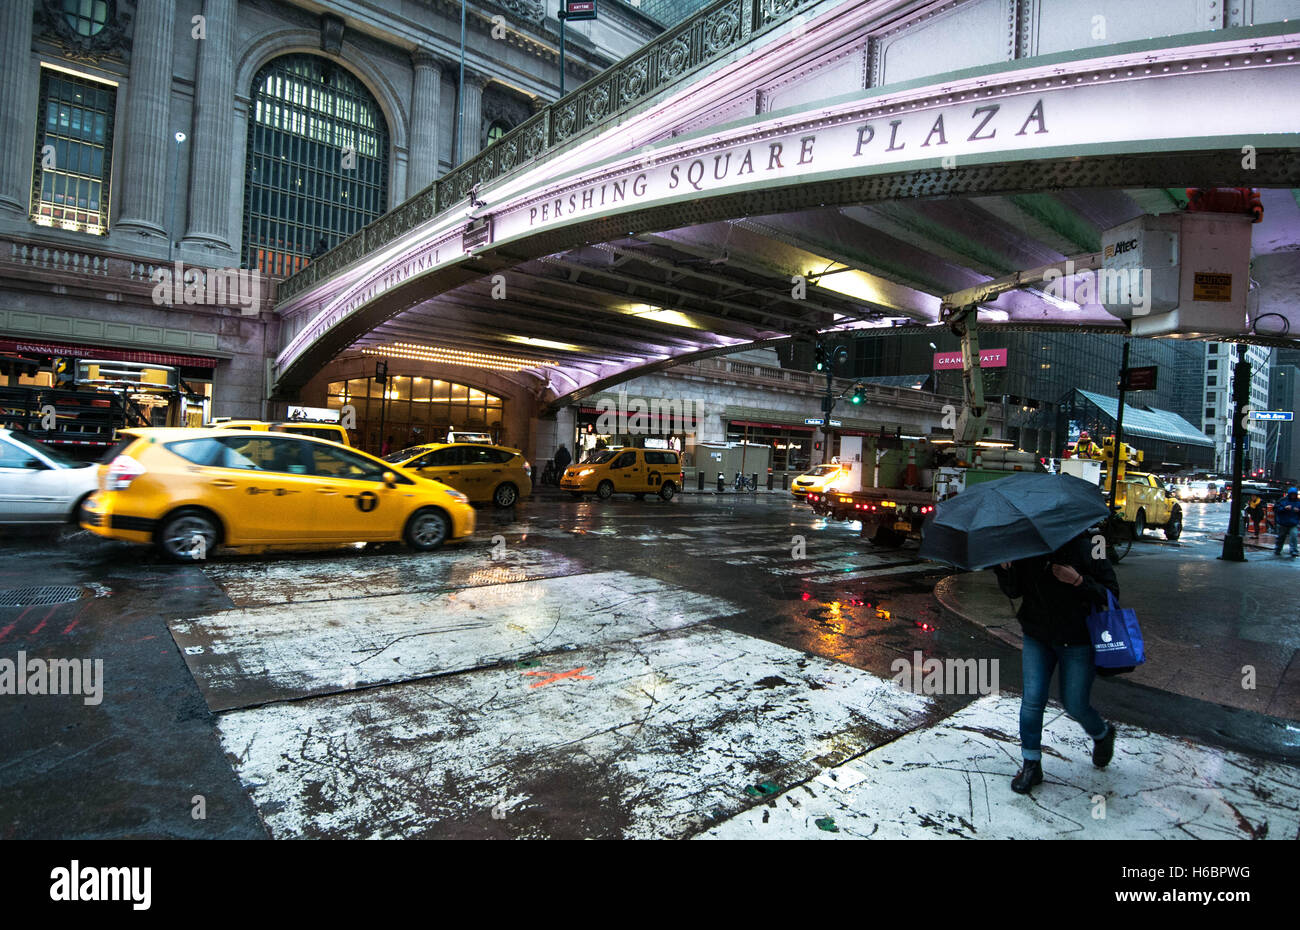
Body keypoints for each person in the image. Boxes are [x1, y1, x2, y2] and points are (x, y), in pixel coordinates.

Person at [993, 531, 1119, 795]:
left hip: (1078, 641)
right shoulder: (1028, 545)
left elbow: (1110, 595)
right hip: (1038, 636)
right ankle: (1031, 764)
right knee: (1032, 700)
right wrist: (1005, 569)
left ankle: (1102, 733)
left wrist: (1078, 581)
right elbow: (1014, 591)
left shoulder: (1094, 544)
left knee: (1074, 703)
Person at [1274, 487, 1300, 558]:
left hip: (1293, 522)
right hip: (1283, 522)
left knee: (1294, 536)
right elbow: (1276, 509)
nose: (1293, 496)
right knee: (1281, 537)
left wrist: (1298, 511)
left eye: (1294, 495)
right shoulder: (1282, 500)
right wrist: (1284, 508)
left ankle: (1294, 551)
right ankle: (1278, 549)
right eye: (1292, 494)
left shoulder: (1298, 502)